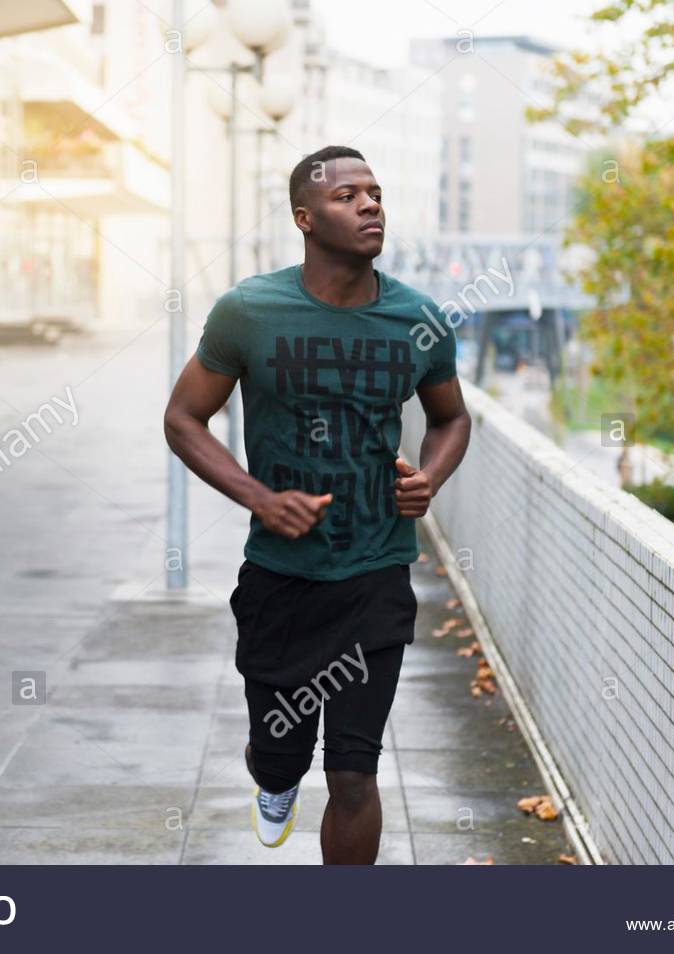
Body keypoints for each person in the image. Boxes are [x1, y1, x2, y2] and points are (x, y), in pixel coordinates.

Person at [163, 145, 471, 864]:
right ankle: (274, 782)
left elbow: (452, 418)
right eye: (347, 195)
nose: (370, 205)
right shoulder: (249, 312)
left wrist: (431, 477)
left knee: (355, 773)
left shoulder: (417, 320)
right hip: (280, 577)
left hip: (375, 573)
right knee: (279, 754)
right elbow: (183, 418)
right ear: (305, 218)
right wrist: (260, 498)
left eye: (376, 193)